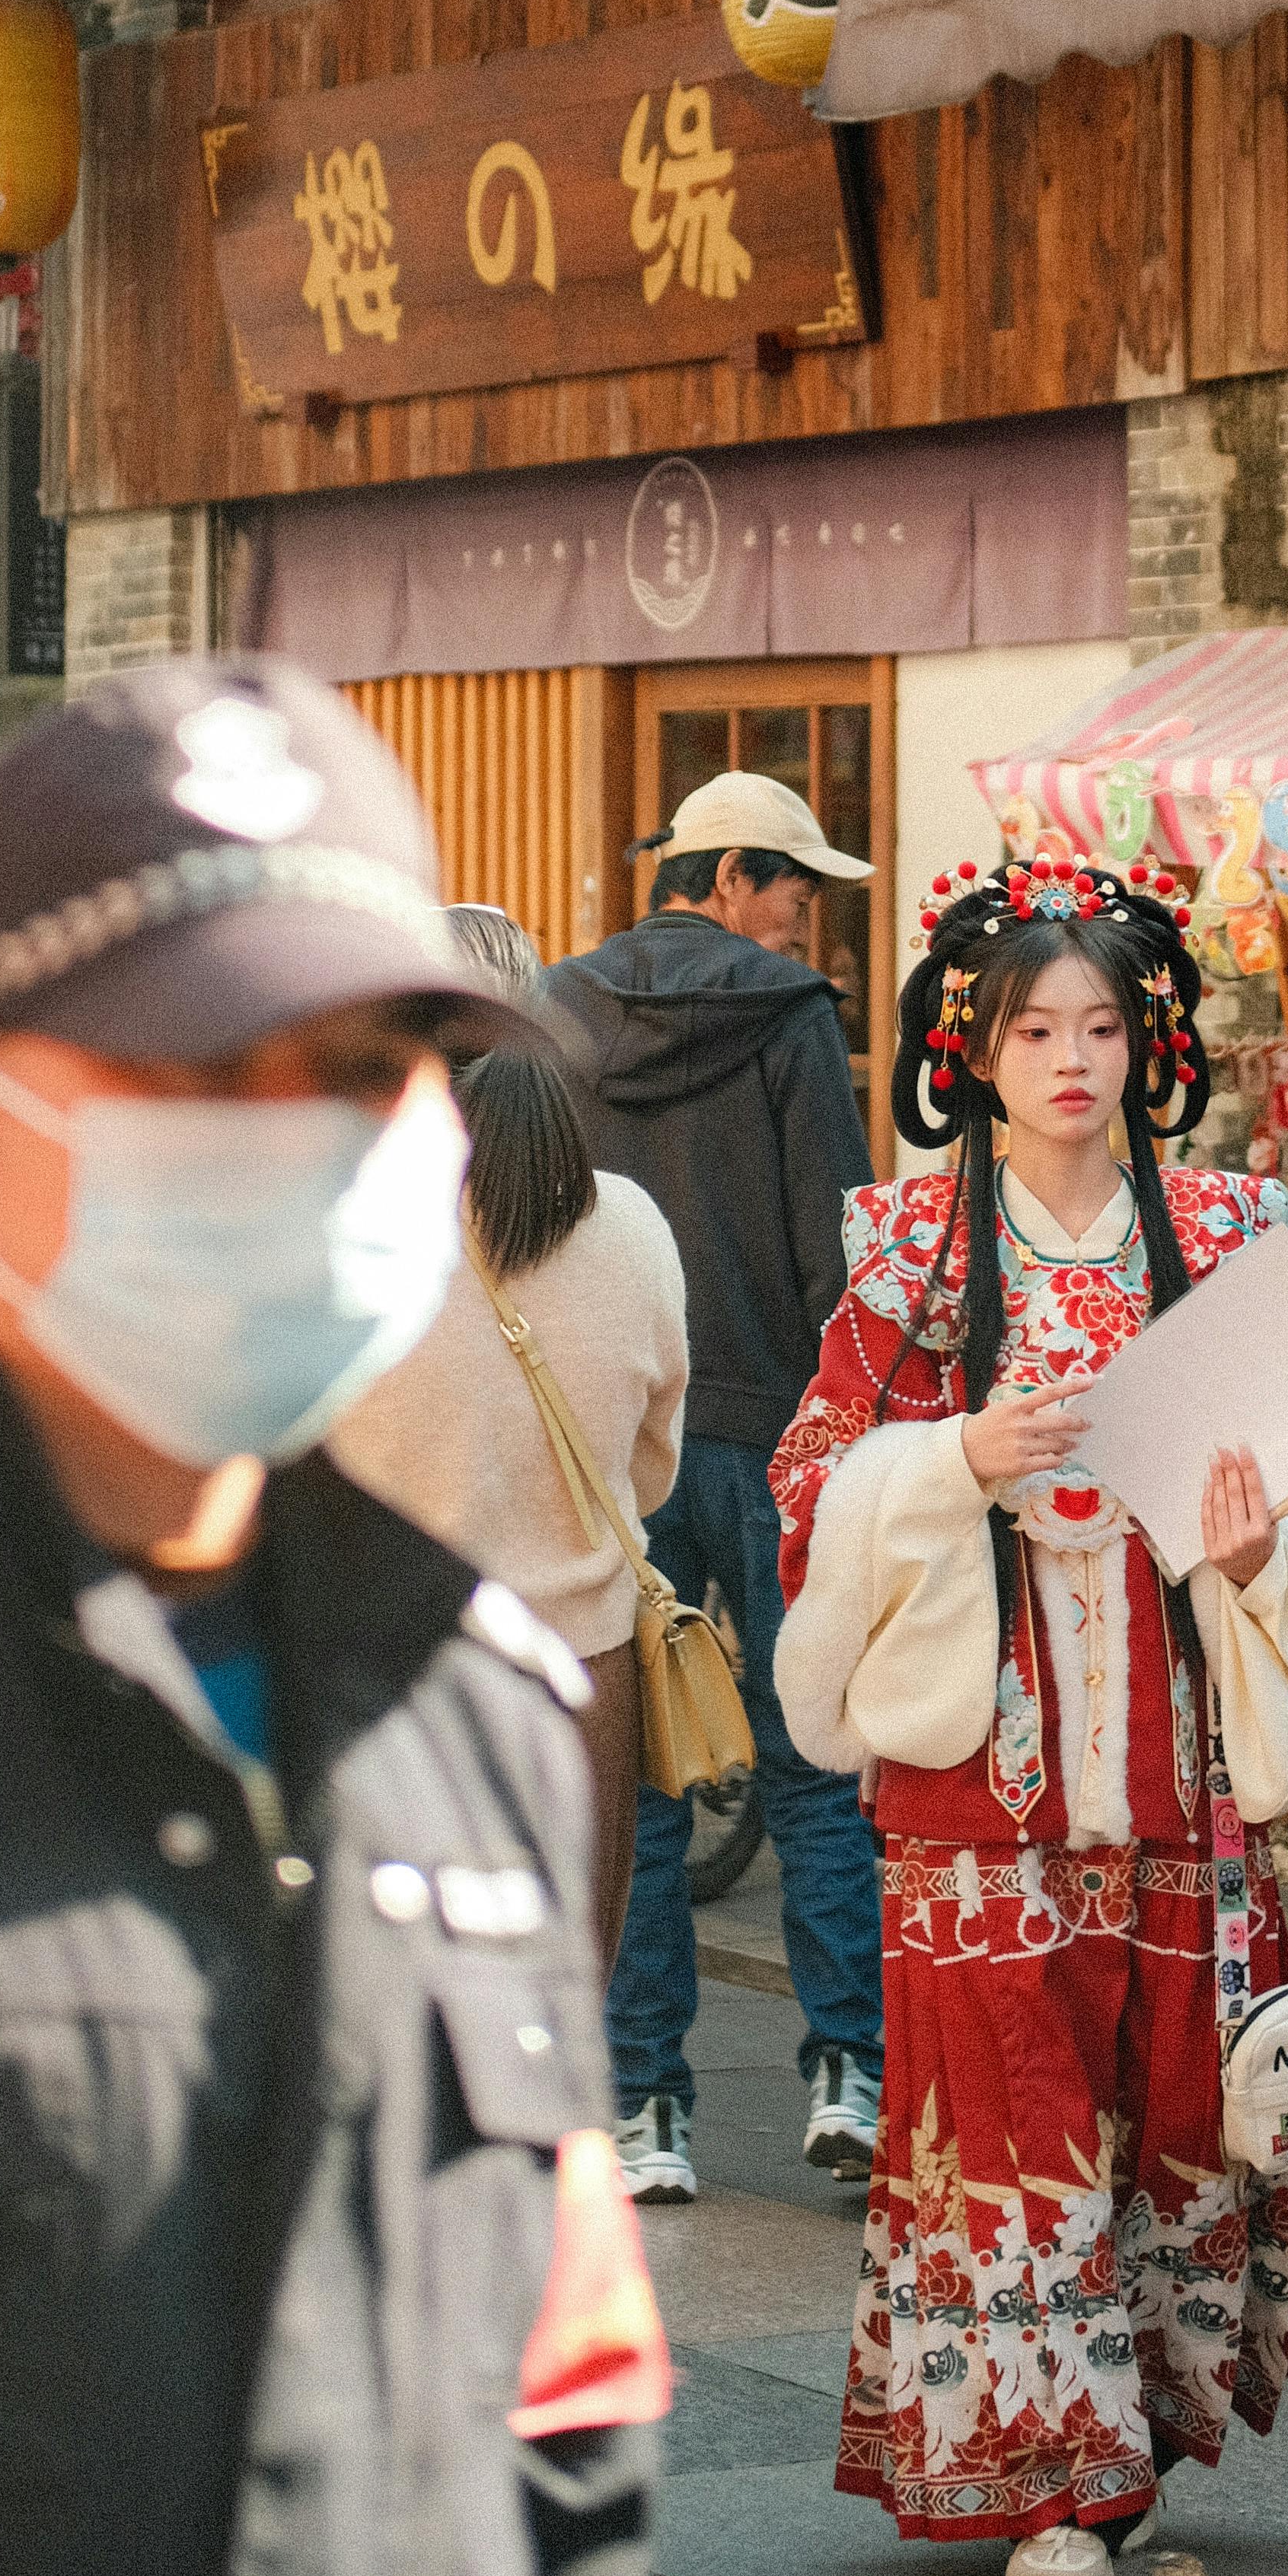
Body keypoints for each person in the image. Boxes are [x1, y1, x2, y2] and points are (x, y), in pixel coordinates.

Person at [0, 657, 665, 2576]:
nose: (320, 1145)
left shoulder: (470, 1703)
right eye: (210, 1071)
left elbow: (572, 2396)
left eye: (376, 1066)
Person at [768, 845, 1288, 2576]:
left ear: (1147, 1043)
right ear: (972, 1047)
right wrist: (946, 1464)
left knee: (1162, 2095)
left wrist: (1265, 1537)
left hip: (1175, 1758)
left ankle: (1116, 2444)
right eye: (1031, 1025)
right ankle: (1060, 2491)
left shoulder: (1222, 1235)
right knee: (1014, 2107)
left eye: (1098, 1024)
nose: (1067, 1056)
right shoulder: (907, 1244)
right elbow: (809, 1484)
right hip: (984, 1766)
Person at [542, 769, 883, 2199]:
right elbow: (837, 1238)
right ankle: (850, 2071)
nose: (802, 919)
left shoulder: (555, 1008)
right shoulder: (793, 1018)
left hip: (616, 1438)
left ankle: (646, 2109)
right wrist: (848, 1432)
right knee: (812, 1751)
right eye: (795, 886)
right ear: (731, 876)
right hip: (767, 1420)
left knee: (642, 1778)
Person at [336, 905, 688, 1973]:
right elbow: (651, 1464)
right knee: (561, 2025)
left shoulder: (347, 1231)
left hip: (386, 1679)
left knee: (395, 2042)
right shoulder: (628, 1223)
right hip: (584, 1679)